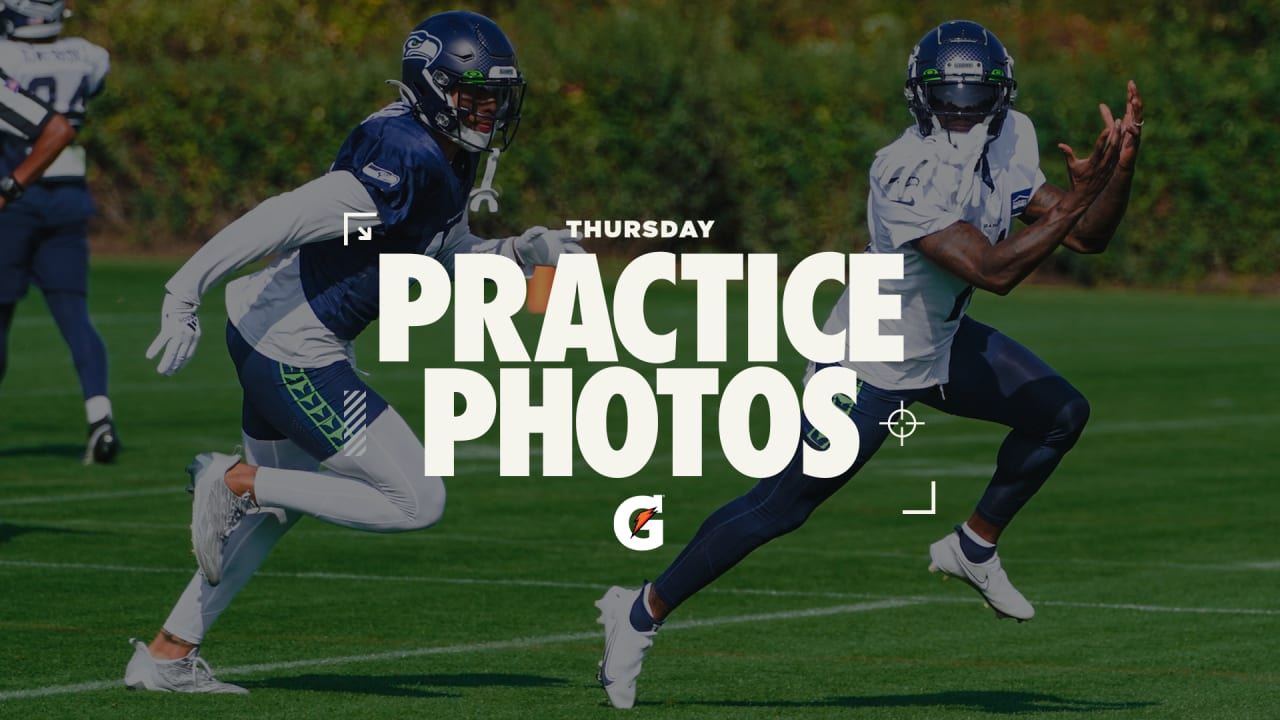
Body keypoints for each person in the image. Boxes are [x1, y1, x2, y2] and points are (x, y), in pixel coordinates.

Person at [595, 19, 1143, 709]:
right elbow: (994, 270)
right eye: (948, 99)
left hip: (941, 342)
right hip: (870, 359)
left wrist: (1118, 173)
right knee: (780, 506)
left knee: (1060, 413)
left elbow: (1087, 236)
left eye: (976, 99)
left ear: (1001, 99)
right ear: (920, 98)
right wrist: (1077, 202)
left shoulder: (1014, 136)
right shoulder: (901, 171)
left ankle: (973, 546)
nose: (962, 114)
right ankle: (639, 612)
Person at [123, 10, 582, 693]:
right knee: (416, 499)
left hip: (278, 335)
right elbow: (282, 215)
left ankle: (167, 655)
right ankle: (232, 480)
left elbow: (439, 252)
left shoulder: (444, 154)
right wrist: (184, 289)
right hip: (292, 348)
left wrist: (516, 253)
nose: (489, 112)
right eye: (476, 96)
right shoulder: (400, 155)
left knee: (279, 506)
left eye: (496, 99)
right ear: (433, 88)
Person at [0, 0, 116, 463]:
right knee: (74, 313)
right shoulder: (87, 54)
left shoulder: (7, 56)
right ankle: (100, 416)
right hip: (68, 190)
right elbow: (88, 93)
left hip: (16, 188)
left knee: (1, 315)